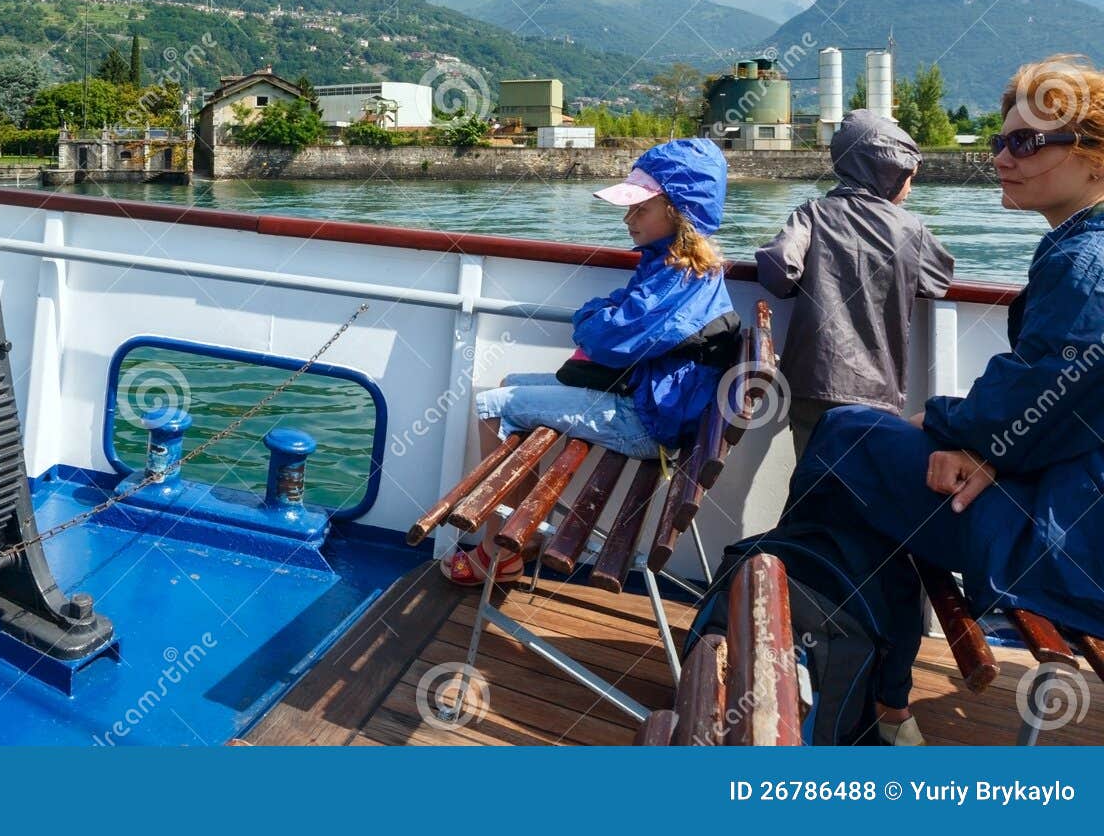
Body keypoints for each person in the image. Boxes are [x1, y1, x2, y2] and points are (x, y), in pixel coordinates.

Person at [782, 54, 1104, 744]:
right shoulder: (1080, 251)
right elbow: (1060, 402)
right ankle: (870, 701)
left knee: (844, 445)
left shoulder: (1087, 265)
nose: (1002, 157)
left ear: (1094, 158)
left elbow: (1043, 391)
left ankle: (837, 683)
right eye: (998, 140)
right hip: (1064, 496)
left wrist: (949, 423)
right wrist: (986, 448)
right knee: (860, 463)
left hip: (1069, 540)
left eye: (1025, 142)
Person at [444, 138, 740, 586]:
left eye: (639, 209)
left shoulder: (676, 277)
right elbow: (620, 314)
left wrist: (587, 318)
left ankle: (497, 553)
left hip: (644, 422)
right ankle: (517, 538)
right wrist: (601, 316)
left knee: (493, 405)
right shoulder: (677, 265)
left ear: (676, 212)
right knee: (509, 382)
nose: (628, 218)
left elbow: (608, 338)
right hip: (652, 405)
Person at [757, 110, 956, 456]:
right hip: (877, 390)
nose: (910, 189)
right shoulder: (910, 229)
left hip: (809, 381)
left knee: (809, 478)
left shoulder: (812, 213)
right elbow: (939, 279)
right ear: (889, 173)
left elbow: (778, 266)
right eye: (909, 177)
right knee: (861, 488)